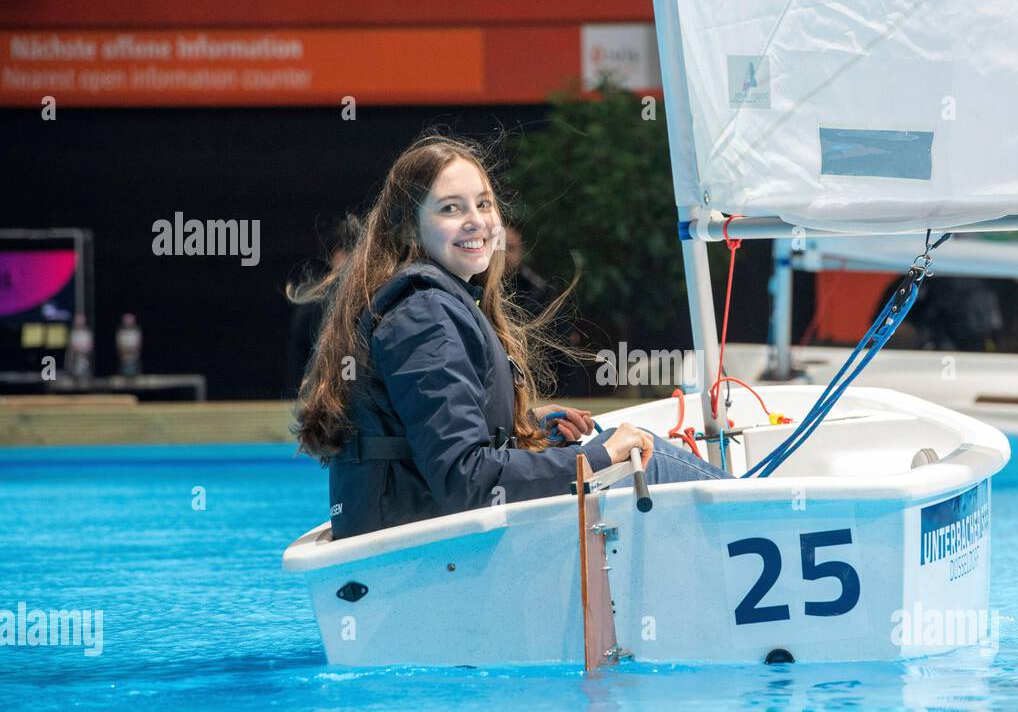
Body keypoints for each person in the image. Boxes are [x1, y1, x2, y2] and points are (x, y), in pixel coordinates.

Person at [292, 135, 728, 540]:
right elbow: (467, 480)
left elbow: (434, 446)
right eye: (450, 208)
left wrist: (526, 429)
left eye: (483, 204)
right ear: (408, 228)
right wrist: (595, 458)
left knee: (624, 445)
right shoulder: (424, 313)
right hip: (423, 550)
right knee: (651, 458)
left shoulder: (429, 302)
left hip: (409, 530)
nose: (476, 221)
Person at [285, 215, 360, 394]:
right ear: (336, 256)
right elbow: (297, 374)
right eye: (346, 252)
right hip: (321, 404)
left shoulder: (370, 302)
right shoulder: (314, 308)